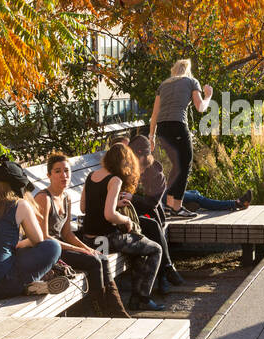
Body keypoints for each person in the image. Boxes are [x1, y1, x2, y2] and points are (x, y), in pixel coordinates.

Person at [34, 152, 131, 318]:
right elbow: (43, 237)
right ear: (49, 175)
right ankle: (101, 312)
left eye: (66, 171)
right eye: (57, 171)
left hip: (61, 246)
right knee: (93, 261)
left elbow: (66, 233)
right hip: (47, 251)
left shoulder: (66, 197)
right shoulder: (44, 198)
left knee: (101, 257)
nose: (63, 175)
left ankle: (117, 311)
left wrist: (88, 249)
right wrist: (82, 251)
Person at [0, 161, 67, 301]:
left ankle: (31, 284)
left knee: (7, 254)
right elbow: (39, 241)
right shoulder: (19, 205)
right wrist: (20, 245)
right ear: (18, 186)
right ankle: (30, 285)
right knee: (53, 246)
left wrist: (16, 245)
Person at [80, 143, 165, 312]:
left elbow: (84, 208)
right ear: (126, 162)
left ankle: (137, 299)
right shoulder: (115, 180)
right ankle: (143, 298)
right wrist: (126, 220)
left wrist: (115, 203)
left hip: (89, 238)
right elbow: (109, 215)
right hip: (107, 239)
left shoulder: (91, 176)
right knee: (155, 249)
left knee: (140, 253)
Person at [151, 59, 214, 219]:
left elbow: (154, 115)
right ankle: (177, 207)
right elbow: (200, 107)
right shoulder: (192, 81)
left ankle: (169, 207)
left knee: (176, 166)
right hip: (177, 125)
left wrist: (151, 137)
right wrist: (208, 96)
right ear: (188, 70)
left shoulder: (163, 85)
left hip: (162, 129)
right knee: (185, 163)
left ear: (174, 70)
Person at [127, 134, 186, 296]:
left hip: (150, 213)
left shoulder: (156, 173)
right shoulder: (126, 170)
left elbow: (152, 203)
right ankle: (166, 271)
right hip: (131, 217)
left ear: (145, 156)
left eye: (138, 156)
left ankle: (162, 276)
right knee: (152, 226)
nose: (134, 159)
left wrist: (133, 197)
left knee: (153, 225)